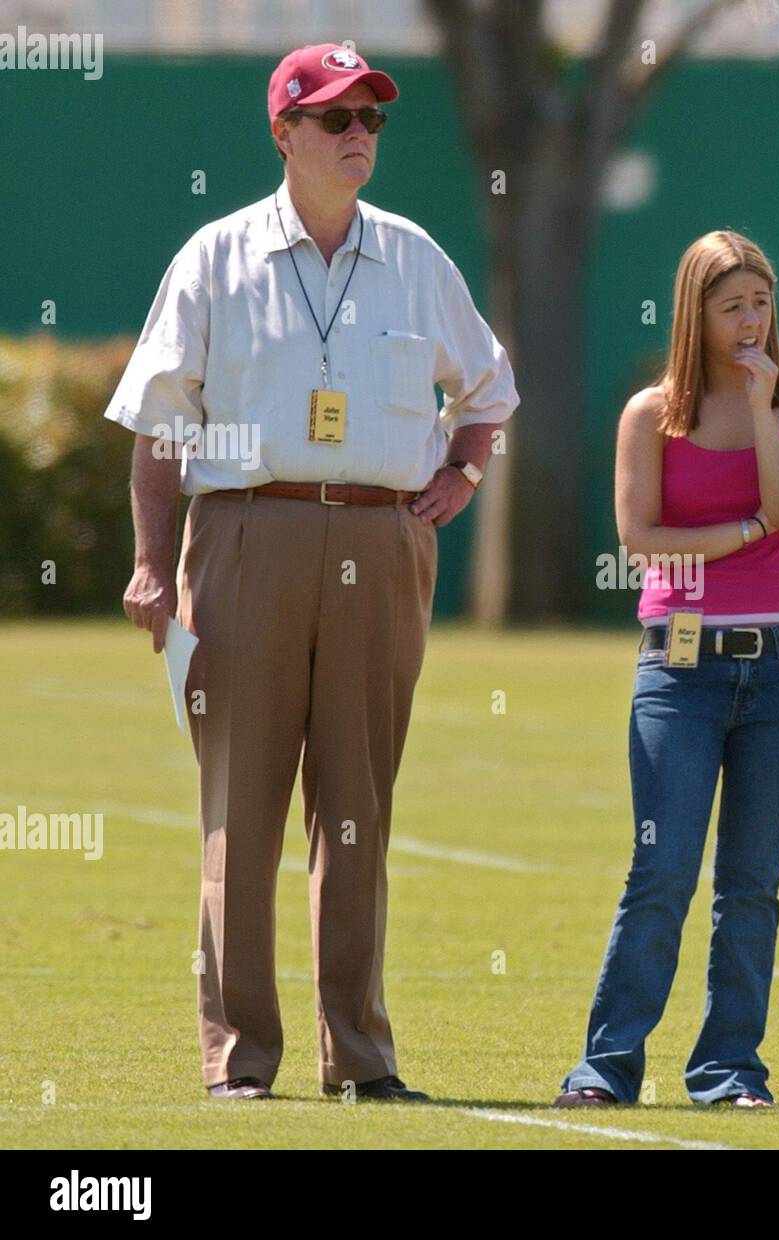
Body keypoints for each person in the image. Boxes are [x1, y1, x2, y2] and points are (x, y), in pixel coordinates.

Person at [104, 43, 518, 1102]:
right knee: (240, 807)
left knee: (358, 809)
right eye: (335, 119)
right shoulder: (217, 255)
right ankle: (242, 1058)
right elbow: (157, 425)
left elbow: (488, 393)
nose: (358, 138)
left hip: (383, 544)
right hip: (248, 533)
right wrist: (153, 564)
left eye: (372, 121)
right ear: (282, 131)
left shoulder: (418, 256)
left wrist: (462, 476)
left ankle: (363, 1059)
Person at [555, 230, 779, 1108]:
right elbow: (642, 538)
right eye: (732, 307)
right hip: (679, 671)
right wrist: (745, 533)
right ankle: (606, 1070)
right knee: (662, 870)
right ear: (695, 314)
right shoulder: (650, 414)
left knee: (750, 883)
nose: (751, 320)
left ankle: (729, 1071)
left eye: (761, 302)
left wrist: (762, 413)